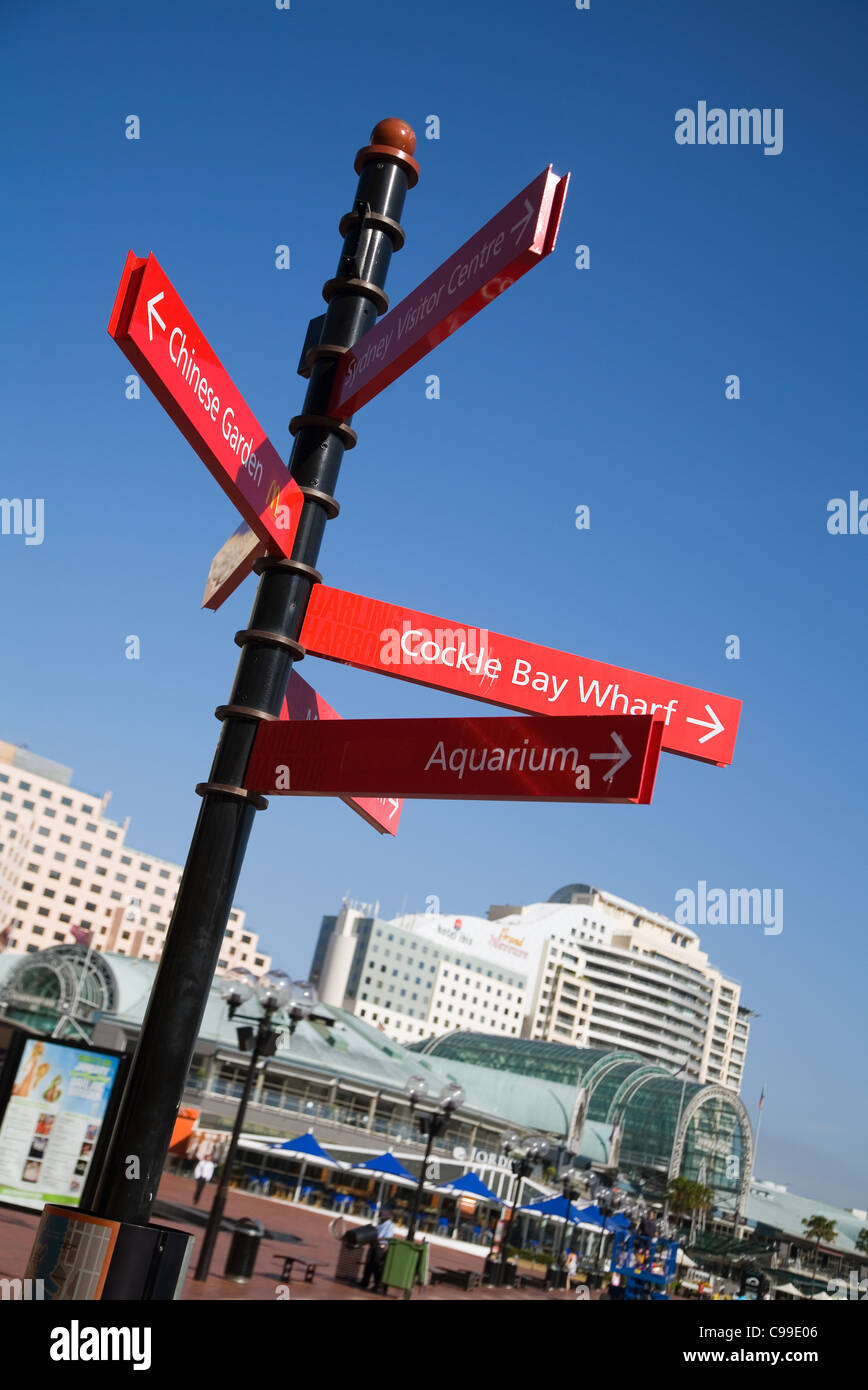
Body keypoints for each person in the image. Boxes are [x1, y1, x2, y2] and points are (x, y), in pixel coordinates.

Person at [360, 1207, 397, 1292]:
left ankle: (377, 1285)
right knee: (369, 1264)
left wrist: (377, 1239)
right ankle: (365, 1282)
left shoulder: (390, 1225)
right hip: (373, 1246)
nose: (381, 1218)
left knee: (377, 1267)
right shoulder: (379, 1224)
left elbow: (388, 1237)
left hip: (380, 1247)